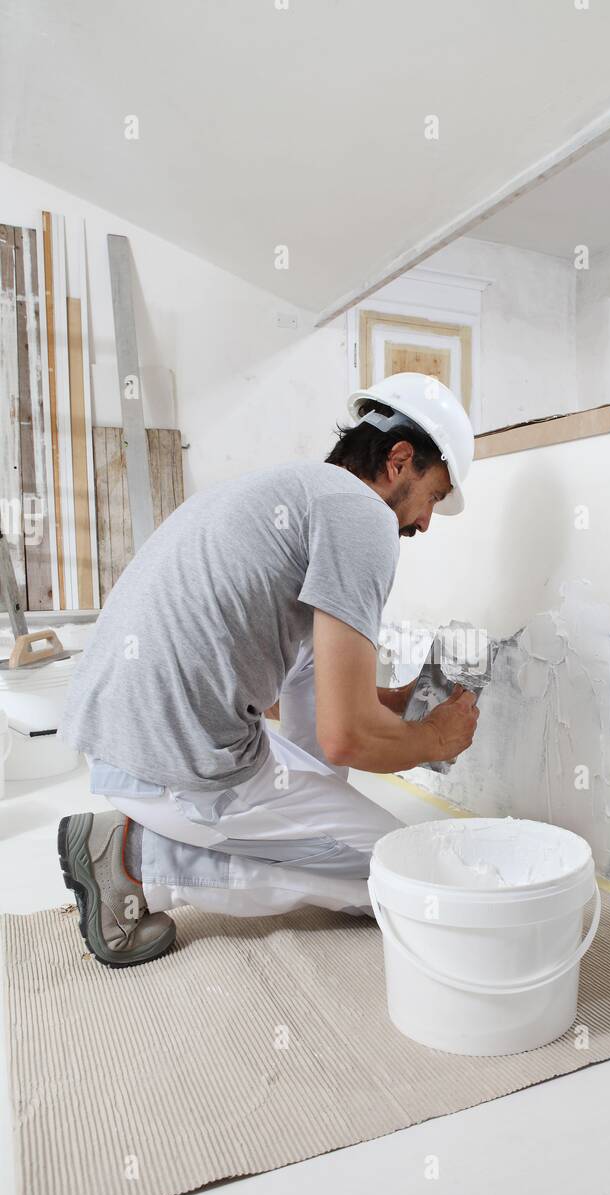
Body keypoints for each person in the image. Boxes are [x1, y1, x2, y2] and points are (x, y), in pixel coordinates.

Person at [57, 373, 478, 967]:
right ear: (400, 460)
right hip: (176, 765)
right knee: (408, 873)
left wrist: (392, 702)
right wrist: (436, 737)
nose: (427, 522)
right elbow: (345, 737)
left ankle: (195, 838)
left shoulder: (294, 493)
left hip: (120, 738)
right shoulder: (363, 517)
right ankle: (137, 862)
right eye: (433, 497)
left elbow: (301, 684)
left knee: (337, 827)